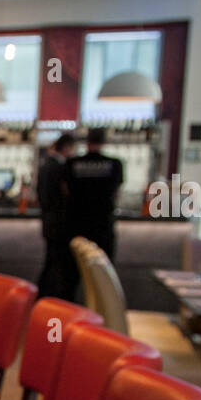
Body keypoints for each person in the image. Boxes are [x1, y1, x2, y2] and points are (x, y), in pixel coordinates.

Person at [59, 127, 124, 301]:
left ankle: (70, 317)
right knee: (102, 279)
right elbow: (117, 193)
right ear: (104, 142)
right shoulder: (114, 164)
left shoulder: (71, 164)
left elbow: (65, 191)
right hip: (103, 227)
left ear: (86, 141)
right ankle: (99, 315)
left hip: (75, 227)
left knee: (71, 279)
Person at [35, 133, 76, 298]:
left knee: (50, 262)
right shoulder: (60, 167)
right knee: (56, 265)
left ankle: (42, 299)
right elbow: (64, 196)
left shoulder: (45, 165)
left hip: (47, 221)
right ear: (66, 147)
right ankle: (50, 301)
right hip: (58, 223)